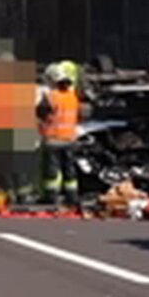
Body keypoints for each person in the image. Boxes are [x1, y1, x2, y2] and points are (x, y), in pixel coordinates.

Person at [36, 61, 85, 208]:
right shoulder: (73, 97)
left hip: (53, 139)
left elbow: (40, 113)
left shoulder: (51, 97)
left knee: (52, 170)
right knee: (69, 169)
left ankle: (51, 196)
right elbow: (80, 115)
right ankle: (72, 196)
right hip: (69, 139)